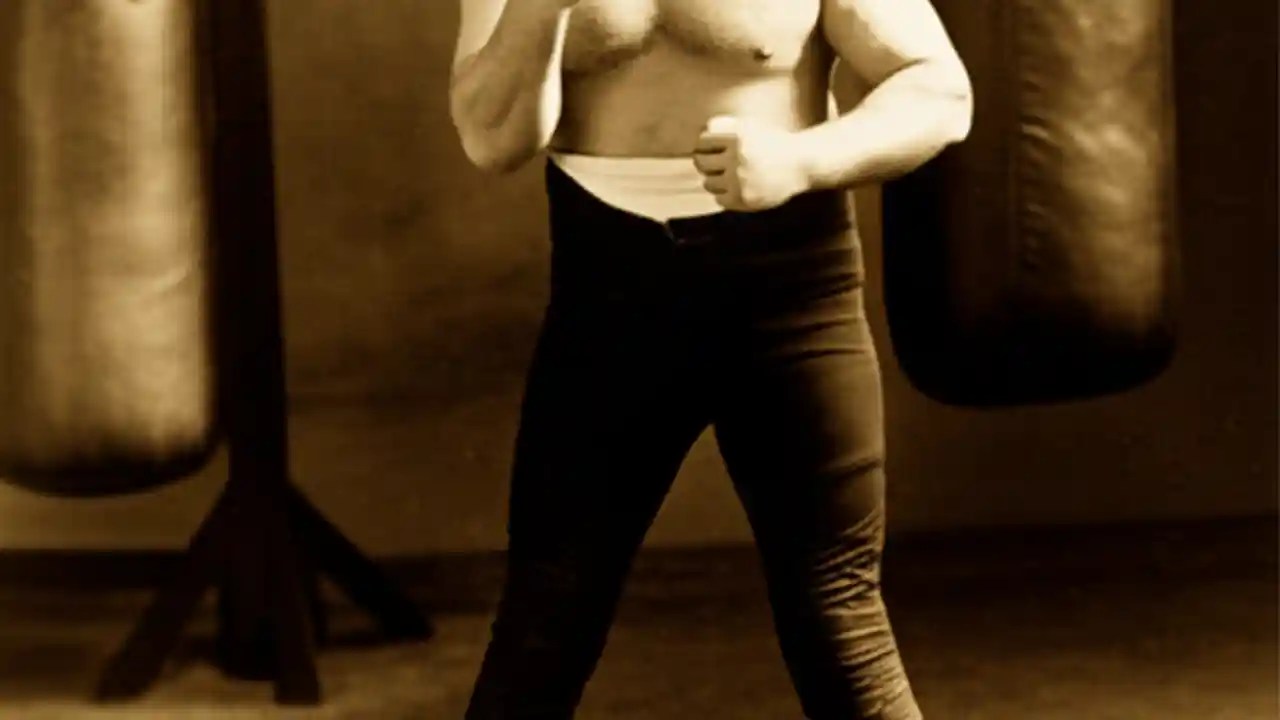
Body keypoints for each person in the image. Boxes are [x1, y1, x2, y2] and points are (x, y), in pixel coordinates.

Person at [448, 1, 972, 718]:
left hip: (791, 286)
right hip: (607, 293)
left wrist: (802, 160)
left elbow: (940, 90)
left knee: (838, 611)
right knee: (546, 614)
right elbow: (490, 138)